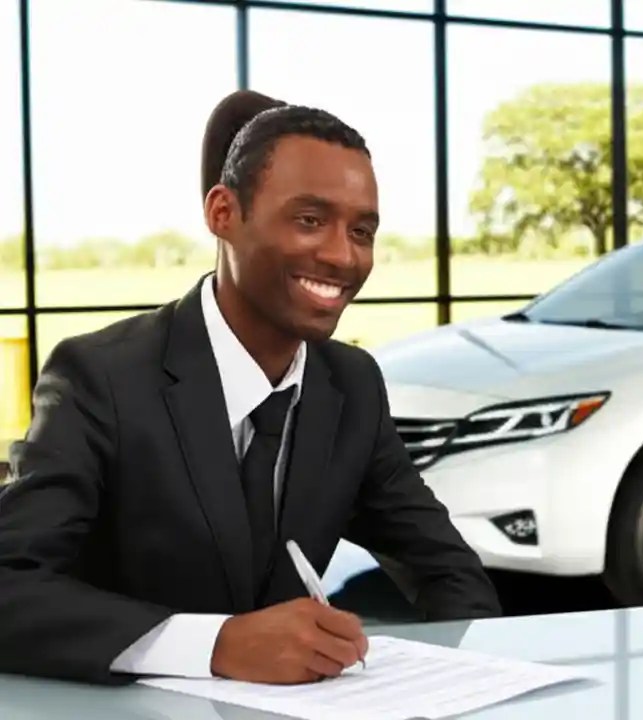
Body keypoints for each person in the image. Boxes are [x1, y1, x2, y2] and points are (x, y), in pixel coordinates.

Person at [0, 92, 501, 686]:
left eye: (361, 230)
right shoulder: (100, 376)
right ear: (223, 213)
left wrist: (466, 684)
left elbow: (449, 572)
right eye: (310, 220)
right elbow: (11, 586)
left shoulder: (352, 385)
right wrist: (215, 645)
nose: (343, 256)